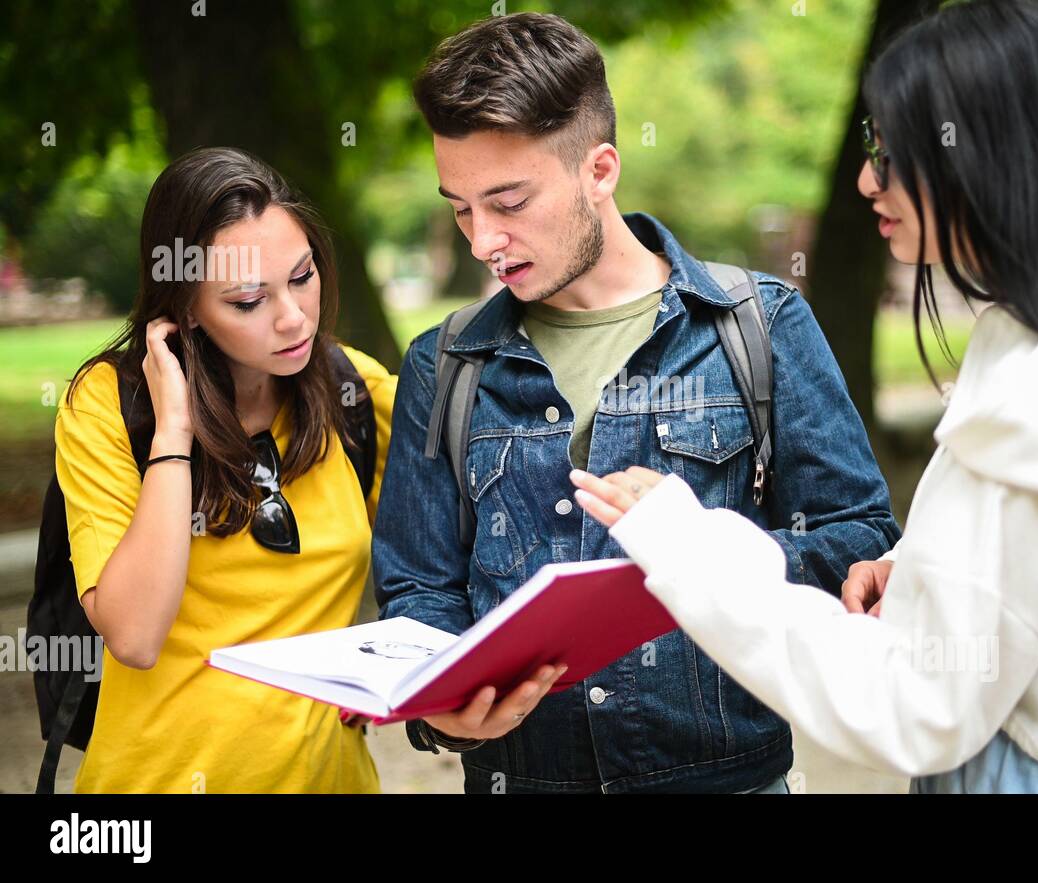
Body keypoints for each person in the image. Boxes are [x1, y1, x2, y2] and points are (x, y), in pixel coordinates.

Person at [571, 0, 1038, 793]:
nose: (869, 178)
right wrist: (923, 567)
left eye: (892, 150)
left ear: (988, 155)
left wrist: (687, 546)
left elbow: (912, 708)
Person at [372, 12, 900, 793]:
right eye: (460, 207)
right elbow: (421, 588)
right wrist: (440, 707)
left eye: (509, 202)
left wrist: (701, 553)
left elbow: (857, 541)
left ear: (601, 170)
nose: (483, 240)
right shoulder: (442, 364)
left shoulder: (761, 324)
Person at [56, 147, 396, 792]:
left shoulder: (357, 392)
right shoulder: (106, 405)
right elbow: (134, 635)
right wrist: (174, 433)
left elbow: (443, 564)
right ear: (185, 310)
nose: (293, 317)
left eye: (302, 276)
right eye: (247, 301)